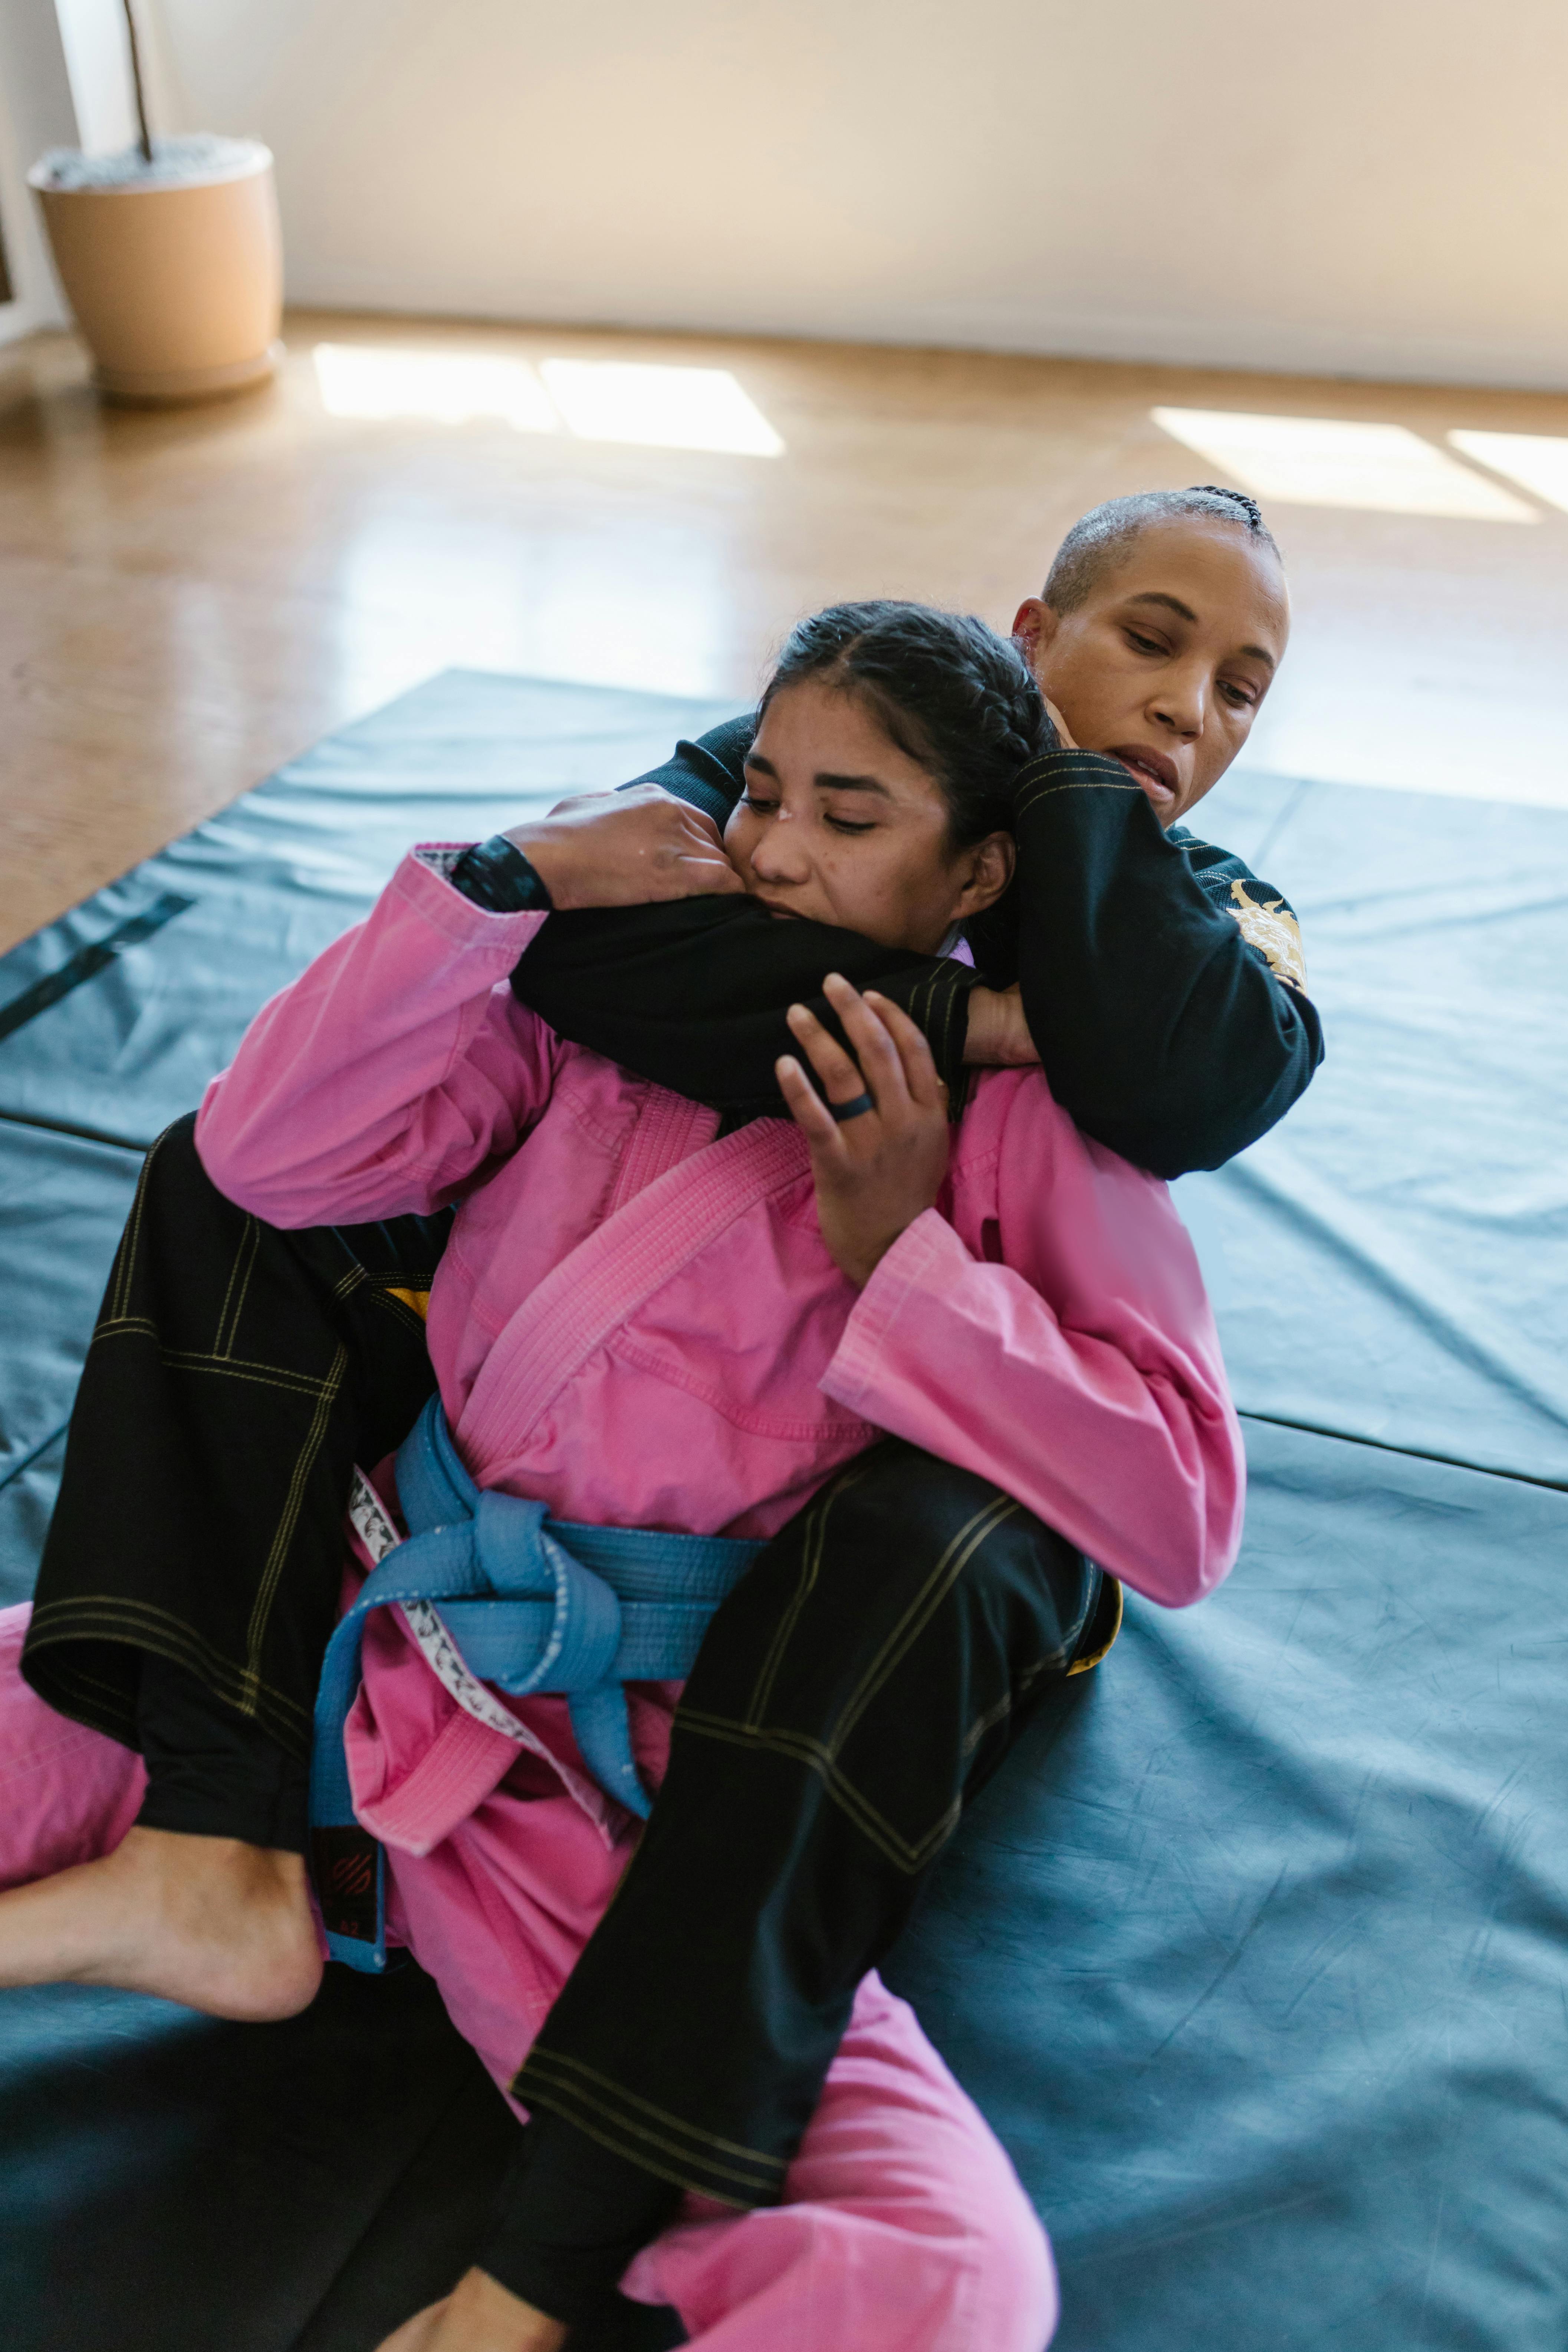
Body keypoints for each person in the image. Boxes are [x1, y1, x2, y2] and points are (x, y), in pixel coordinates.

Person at [3, 490, 1306, 2343]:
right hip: (311, 1649)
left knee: (947, 2280)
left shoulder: (1038, 1115)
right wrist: (506, 879)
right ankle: (214, 1873)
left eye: (847, 819)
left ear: (976, 879)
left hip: (594, 1800)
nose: (769, 850)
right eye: (761, 793)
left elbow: (1175, 1508)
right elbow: (261, 1161)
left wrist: (898, 1254)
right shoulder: (630, 994)